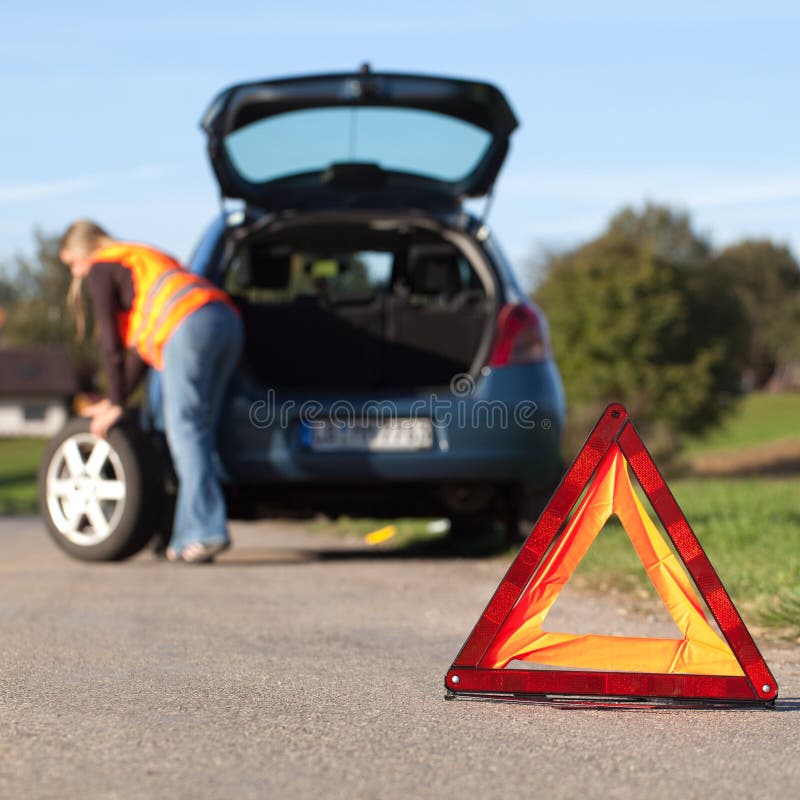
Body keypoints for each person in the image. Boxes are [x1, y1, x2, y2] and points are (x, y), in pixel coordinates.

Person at [59, 220, 243, 563]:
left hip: (187, 325)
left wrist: (114, 402)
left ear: (83, 252)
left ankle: (206, 531)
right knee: (198, 432)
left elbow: (112, 344)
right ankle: (185, 537)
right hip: (224, 320)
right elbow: (141, 348)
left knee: (184, 430)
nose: (77, 274)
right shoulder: (138, 256)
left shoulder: (101, 266)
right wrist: (120, 400)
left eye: (72, 264)